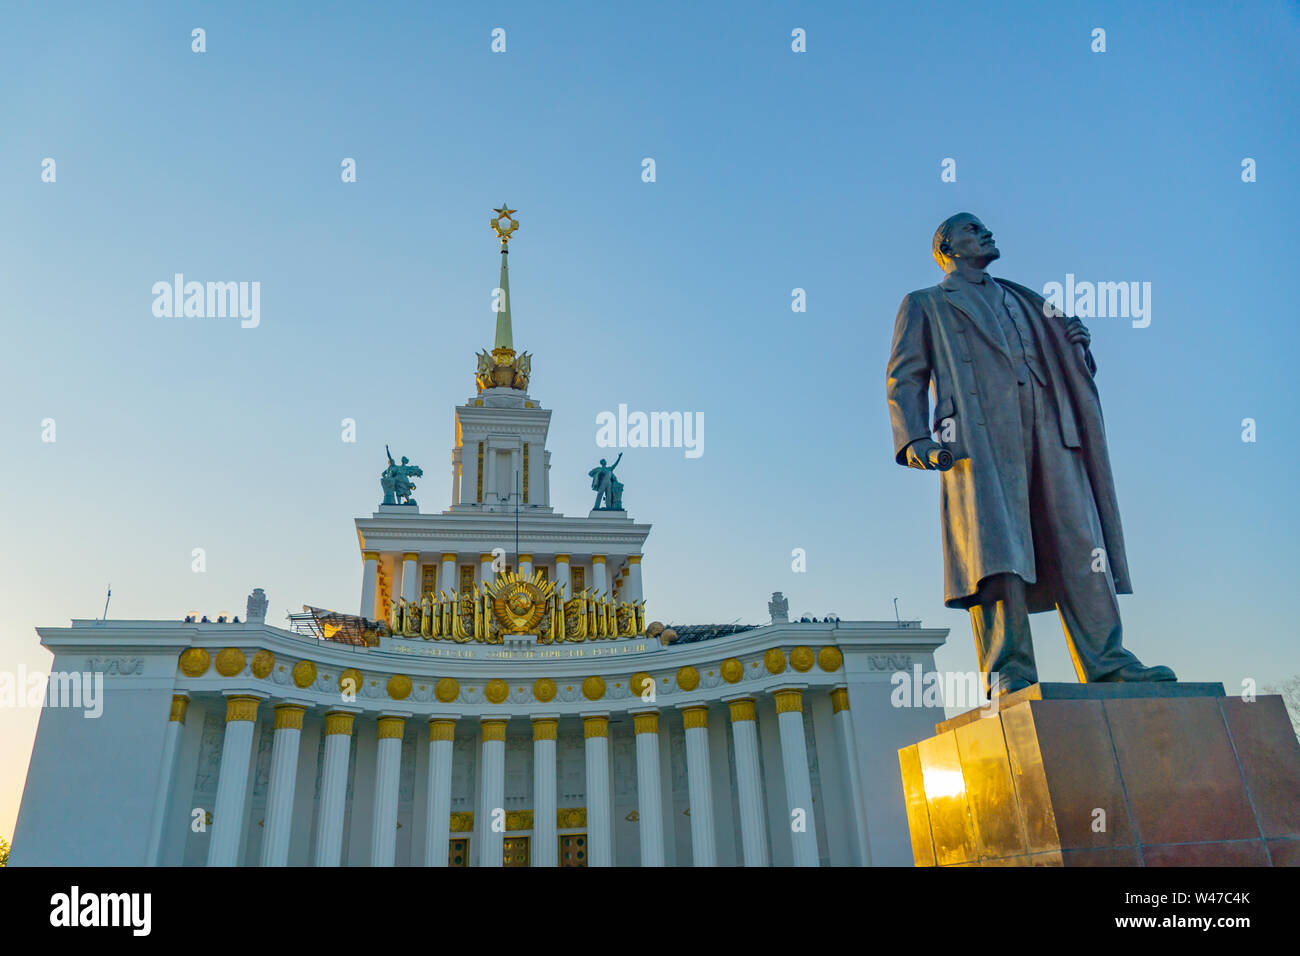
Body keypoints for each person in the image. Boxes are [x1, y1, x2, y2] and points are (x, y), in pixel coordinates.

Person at [885, 213, 1175, 698]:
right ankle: (1009, 672)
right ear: (947, 247)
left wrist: (1078, 346)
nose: (986, 233)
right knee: (995, 553)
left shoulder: (1027, 300)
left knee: (1081, 545)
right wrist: (914, 440)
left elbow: (1067, 364)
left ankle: (1108, 661)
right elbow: (905, 376)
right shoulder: (926, 303)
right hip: (976, 441)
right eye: (972, 229)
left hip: (1051, 428)